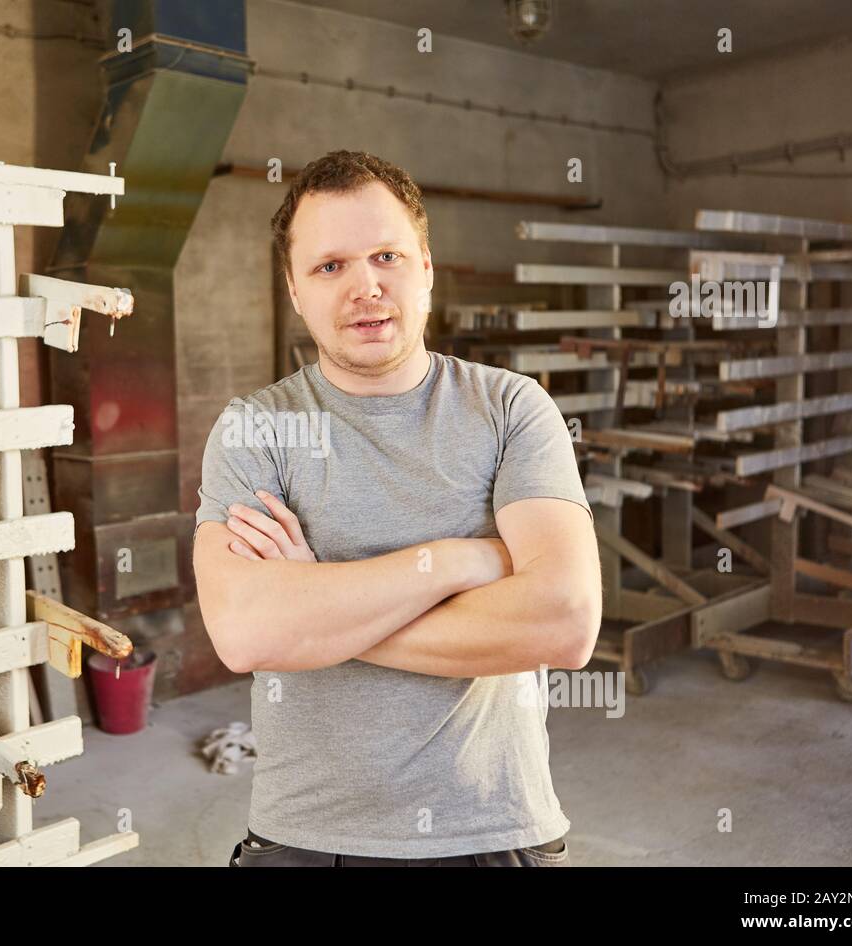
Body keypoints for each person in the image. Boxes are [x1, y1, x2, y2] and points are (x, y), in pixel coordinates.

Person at [192, 149, 601, 867]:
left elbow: (564, 622)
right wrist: (457, 561)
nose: (366, 286)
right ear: (294, 289)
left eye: (387, 256)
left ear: (427, 270)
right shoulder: (254, 427)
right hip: (305, 839)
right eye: (330, 266)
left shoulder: (511, 410)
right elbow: (245, 630)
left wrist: (316, 607)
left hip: (493, 834)